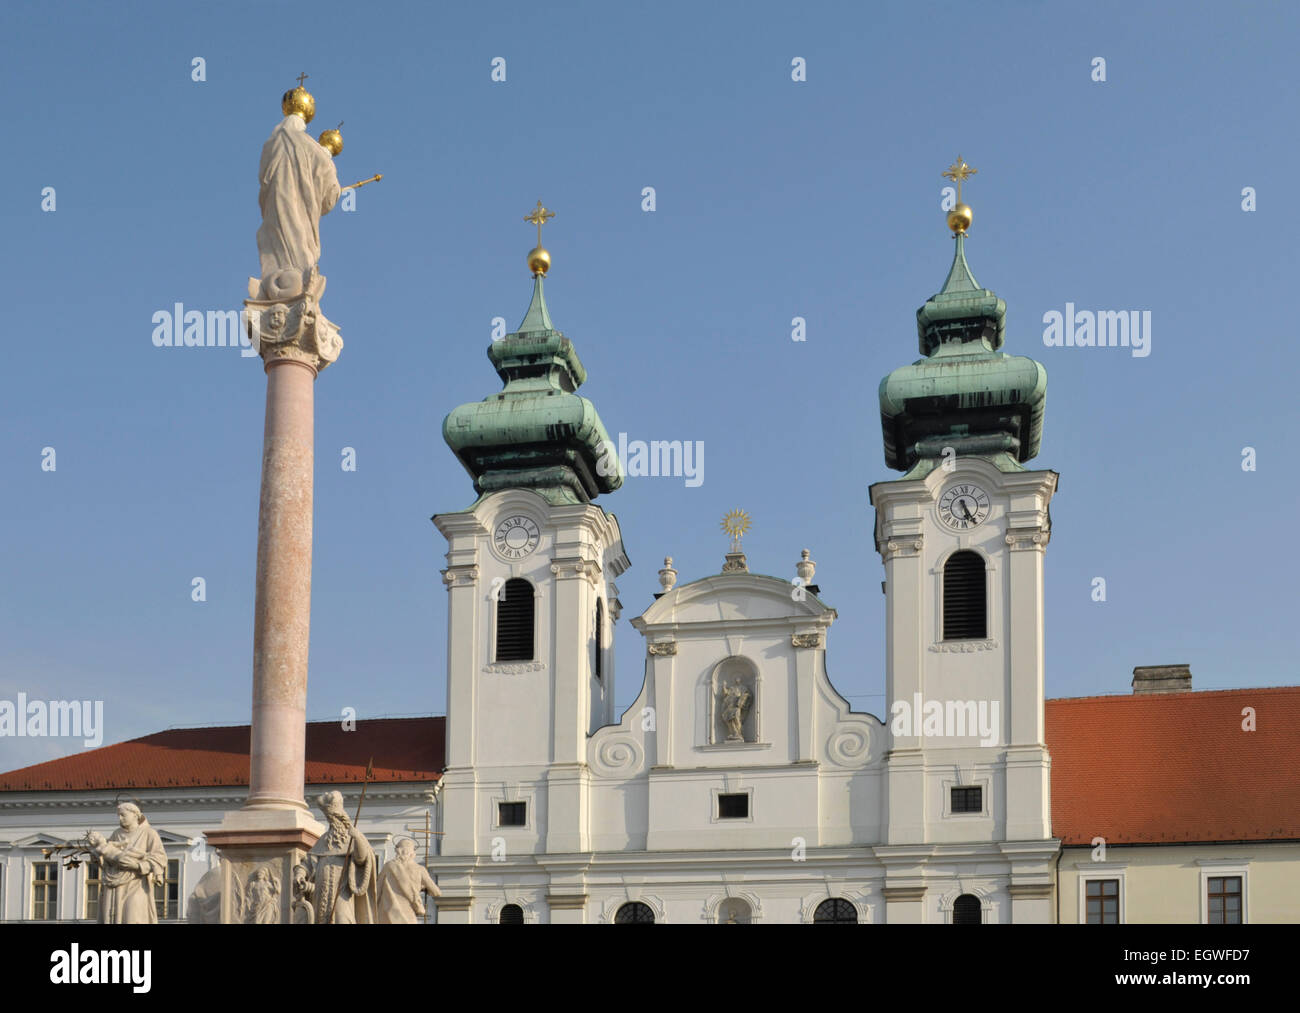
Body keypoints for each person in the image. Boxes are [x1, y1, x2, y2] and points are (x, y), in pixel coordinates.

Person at [256, 107, 340, 281]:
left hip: (275, 201)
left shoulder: (272, 141)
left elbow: (263, 177)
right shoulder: (311, 146)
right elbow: (329, 198)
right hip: (297, 208)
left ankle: (287, 279)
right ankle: (294, 278)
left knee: (280, 235)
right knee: (298, 241)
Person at [302, 790, 376, 923]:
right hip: (321, 893)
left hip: (342, 893)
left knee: (343, 919)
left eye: (335, 818)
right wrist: (300, 873)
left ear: (341, 817)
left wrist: (357, 838)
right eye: (330, 819)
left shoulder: (352, 836)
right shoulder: (324, 840)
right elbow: (308, 862)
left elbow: (361, 859)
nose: (333, 822)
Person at [87, 802, 168, 924]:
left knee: (133, 915)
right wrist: (98, 857)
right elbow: (108, 859)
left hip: (137, 883)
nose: (120, 818)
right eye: (119, 815)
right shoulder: (116, 834)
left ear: (135, 815)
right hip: (113, 884)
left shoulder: (149, 833)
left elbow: (160, 858)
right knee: (112, 917)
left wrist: (137, 866)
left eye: (123, 815)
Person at [377, 838, 441, 924]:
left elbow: (376, 891)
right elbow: (436, 892)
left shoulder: (388, 866)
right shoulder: (420, 870)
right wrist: (424, 888)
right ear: (412, 853)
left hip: (387, 914)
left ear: (398, 851)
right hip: (408, 915)